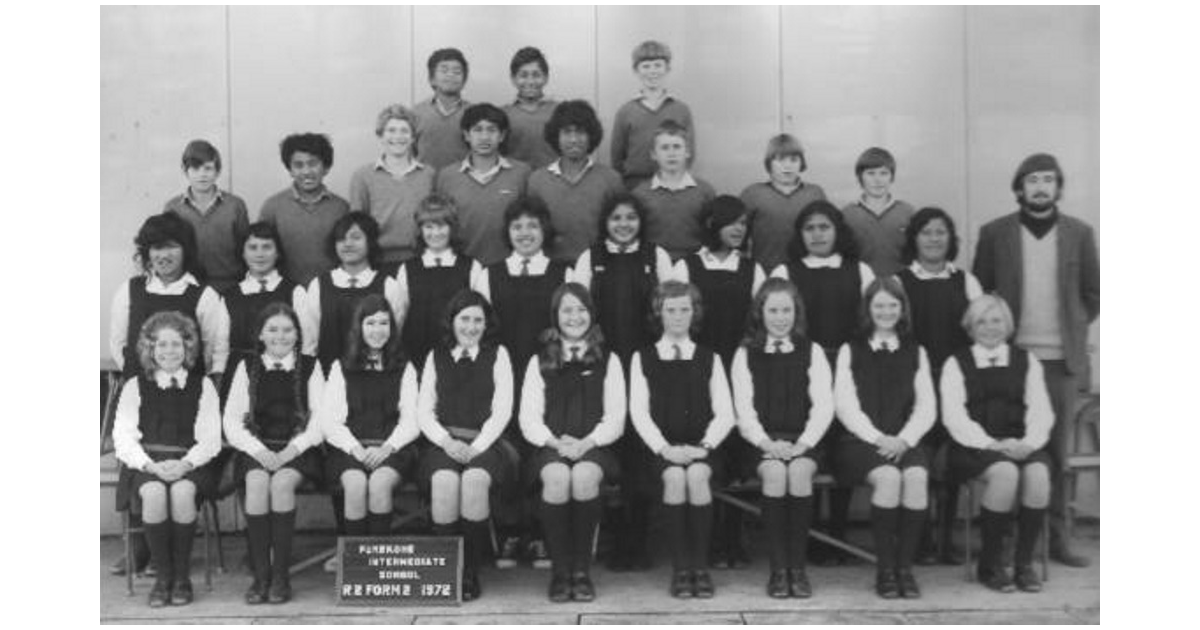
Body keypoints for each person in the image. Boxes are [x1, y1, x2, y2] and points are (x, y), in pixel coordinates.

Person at [972, 152, 1099, 568]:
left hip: (1060, 362)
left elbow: (1093, 294)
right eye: (1032, 180)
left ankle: (1058, 539)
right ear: (1019, 187)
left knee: (1056, 454)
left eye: (1048, 179)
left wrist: (1072, 326)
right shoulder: (995, 233)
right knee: (1010, 450)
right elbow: (981, 292)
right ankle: (1008, 538)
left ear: (1058, 186)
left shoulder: (1079, 233)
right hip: (1010, 360)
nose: (1040, 187)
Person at [107, 213, 228, 579]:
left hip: (186, 399)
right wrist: (144, 377)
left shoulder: (203, 295)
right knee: (140, 463)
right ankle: (142, 550)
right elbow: (119, 345)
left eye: (171, 247)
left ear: (185, 251)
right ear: (147, 252)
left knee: (180, 476)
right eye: (156, 247)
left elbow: (215, 349)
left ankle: (172, 559)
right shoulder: (129, 290)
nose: (163, 255)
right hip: (141, 394)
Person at [570, 191, 673, 571]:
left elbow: (674, 307)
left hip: (647, 367)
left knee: (641, 452)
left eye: (631, 218)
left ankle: (639, 540)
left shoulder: (656, 257)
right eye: (616, 219)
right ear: (605, 223)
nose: (624, 225)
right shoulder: (590, 258)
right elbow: (578, 311)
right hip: (603, 365)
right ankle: (611, 537)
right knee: (609, 447)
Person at [474, 196, 569, 568]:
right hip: (504, 372)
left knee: (543, 451)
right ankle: (512, 533)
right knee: (508, 452)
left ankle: (543, 534)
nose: (525, 233)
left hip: (551, 376)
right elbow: (479, 329)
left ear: (544, 230)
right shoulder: (490, 274)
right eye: (517, 227)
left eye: (532, 226)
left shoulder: (564, 272)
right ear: (507, 233)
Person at [672, 194, 766, 568]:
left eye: (744, 223)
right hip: (699, 371)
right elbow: (673, 319)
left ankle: (733, 537)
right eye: (732, 222)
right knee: (705, 450)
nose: (739, 229)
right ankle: (706, 541)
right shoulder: (686, 267)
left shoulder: (754, 270)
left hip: (740, 368)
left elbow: (761, 322)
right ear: (713, 225)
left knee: (737, 451)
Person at [519, 283, 626, 602]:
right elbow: (529, 418)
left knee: (582, 476)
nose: (574, 316)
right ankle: (560, 571)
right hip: (550, 448)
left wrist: (585, 444)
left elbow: (616, 418)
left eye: (581, 309)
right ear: (555, 316)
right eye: (567, 310)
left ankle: (581, 571)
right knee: (556, 477)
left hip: (595, 448)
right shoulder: (539, 361)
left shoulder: (609, 359)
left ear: (591, 315)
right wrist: (555, 443)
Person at [628, 281, 735, 599]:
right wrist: (665, 449)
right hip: (659, 451)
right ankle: (680, 569)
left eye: (684, 309)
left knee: (698, 475)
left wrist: (703, 448)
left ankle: (699, 568)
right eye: (670, 309)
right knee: (675, 477)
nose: (677, 316)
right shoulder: (642, 358)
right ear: (659, 313)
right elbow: (639, 412)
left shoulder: (709, 358)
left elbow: (725, 413)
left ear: (695, 313)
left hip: (702, 449)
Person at [941, 295, 1055, 593]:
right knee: (1006, 473)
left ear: (1008, 325)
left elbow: (1041, 410)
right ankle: (989, 564)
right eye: (981, 321)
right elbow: (955, 417)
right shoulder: (956, 363)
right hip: (973, 447)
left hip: (1021, 443)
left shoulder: (1025, 360)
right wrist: (992, 444)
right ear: (970, 327)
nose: (990, 327)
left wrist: (1028, 444)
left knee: (1038, 474)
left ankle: (1023, 564)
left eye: (996, 320)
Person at [729, 278, 834, 598]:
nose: (780, 317)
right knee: (776, 472)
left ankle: (797, 569)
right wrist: (766, 444)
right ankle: (778, 570)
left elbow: (823, 405)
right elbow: (743, 410)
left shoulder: (811, 351)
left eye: (786, 310)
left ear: (796, 312)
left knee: (799, 471)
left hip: (804, 440)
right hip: (759, 444)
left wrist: (805, 443)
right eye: (773, 310)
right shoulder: (746, 353)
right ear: (760, 313)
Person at [833, 277, 935, 599]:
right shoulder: (851, 350)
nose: (886, 311)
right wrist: (879, 439)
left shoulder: (916, 350)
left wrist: (904, 440)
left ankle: (905, 569)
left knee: (917, 476)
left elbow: (926, 406)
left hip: (906, 439)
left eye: (893, 304)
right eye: (879, 305)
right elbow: (845, 406)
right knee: (890, 478)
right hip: (859, 442)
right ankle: (885, 570)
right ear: (868, 308)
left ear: (902, 308)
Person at [113, 312, 221, 607]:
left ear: (188, 348)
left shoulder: (204, 386)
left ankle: (182, 577)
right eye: (161, 345)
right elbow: (123, 437)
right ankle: (163, 578)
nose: (169, 351)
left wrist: (186, 464)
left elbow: (211, 438)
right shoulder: (135, 386)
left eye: (176, 344)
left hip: (191, 463)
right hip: (146, 462)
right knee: (155, 492)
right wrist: (149, 465)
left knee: (184, 491)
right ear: (150, 349)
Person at [895, 206, 983, 564]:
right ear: (914, 239)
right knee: (921, 461)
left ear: (951, 239)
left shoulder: (966, 281)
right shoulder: (900, 282)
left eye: (940, 232)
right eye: (926, 232)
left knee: (952, 465)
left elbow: (979, 332)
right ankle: (921, 539)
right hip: (915, 385)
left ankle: (948, 539)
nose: (934, 239)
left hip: (956, 385)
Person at [416, 290, 515, 601]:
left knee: (473, 481)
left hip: (487, 444)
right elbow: (424, 411)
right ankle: (449, 570)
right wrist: (447, 442)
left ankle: (470, 571)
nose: (471, 327)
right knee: (445, 481)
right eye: (464, 319)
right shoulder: (436, 356)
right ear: (452, 321)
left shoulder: (498, 355)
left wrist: (477, 446)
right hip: (443, 443)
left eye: (478, 320)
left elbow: (502, 409)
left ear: (487, 325)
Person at [222, 303, 324, 604]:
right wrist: (258, 451)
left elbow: (320, 420)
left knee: (280, 484)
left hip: (299, 448)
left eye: (288, 329)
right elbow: (231, 420)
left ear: (298, 334)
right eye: (273, 329)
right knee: (256, 483)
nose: (281, 336)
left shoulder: (310, 366)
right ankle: (260, 575)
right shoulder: (247, 366)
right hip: (258, 446)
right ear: (261, 335)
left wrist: (293, 449)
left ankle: (280, 576)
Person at [321, 295, 421, 537]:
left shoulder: (404, 368)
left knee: (379, 483)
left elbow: (411, 420)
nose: (378, 330)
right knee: (355, 485)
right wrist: (355, 449)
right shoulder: (341, 367)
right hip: (350, 450)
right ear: (359, 327)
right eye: (371, 323)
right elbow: (330, 421)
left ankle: (376, 561)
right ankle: (357, 564)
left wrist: (387, 448)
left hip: (392, 450)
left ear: (392, 328)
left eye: (384, 323)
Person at [301, 211, 401, 376]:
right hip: (328, 376)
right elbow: (310, 340)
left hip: (376, 377)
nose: (347, 244)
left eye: (356, 237)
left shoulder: (389, 286)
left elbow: (394, 337)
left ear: (371, 242)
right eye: (341, 239)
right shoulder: (318, 285)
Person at [434, 103, 531, 266]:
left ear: (502, 135)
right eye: (477, 130)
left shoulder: (522, 173)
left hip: (510, 267)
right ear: (466, 135)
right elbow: (441, 225)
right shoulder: (447, 176)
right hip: (460, 267)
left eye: (492, 130)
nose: (484, 137)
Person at [527, 99, 624, 261]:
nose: (573, 139)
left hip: (599, 266)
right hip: (552, 268)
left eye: (580, 132)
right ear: (556, 136)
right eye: (566, 132)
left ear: (591, 135)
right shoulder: (537, 180)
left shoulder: (611, 179)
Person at [394, 194, 484, 370]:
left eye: (442, 226)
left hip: (458, 354)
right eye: (429, 226)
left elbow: (481, 316)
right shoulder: (407, 270)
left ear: (452, 228)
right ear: (420, 230)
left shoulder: (472, 267)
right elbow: (398, 316)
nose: (435, 233)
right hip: (416, 353)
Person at [219, 222, 306, 402]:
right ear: (243, 253)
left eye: (267, 247)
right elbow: (220, 346)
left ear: (278, 252)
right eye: (253, 247)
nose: (259, 254)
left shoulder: (295, 291)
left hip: (285, 375)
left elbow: (307, 341)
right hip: (239, 377)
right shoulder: (229, 296)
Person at [348, 104, 435, 274]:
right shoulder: (363, 176)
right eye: (391, 130)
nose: (398, 137)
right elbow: (357, 225)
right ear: (380, 136)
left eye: (404, 131)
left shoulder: (428, 174)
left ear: (413, 138)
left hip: (420, 260)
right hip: (378, 262)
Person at [259, 132, 350, 286]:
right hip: (286, 293)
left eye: (313, 163)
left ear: (326, 167)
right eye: (298, 165)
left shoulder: (341, 208)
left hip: (330, 291)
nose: (306, 171)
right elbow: (261, 252)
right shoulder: (273, 207)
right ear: (290, 170)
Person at [162, 139, 250, 292]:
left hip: (230, 287)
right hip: (187, 287)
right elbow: (168, 251)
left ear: (218, 171)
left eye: (208, 168)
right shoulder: (173, 208)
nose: (202, 175)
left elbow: (245, 250)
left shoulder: (235, 206)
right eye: (195, 169)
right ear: (184, 170)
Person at [610, 40, 696, 190]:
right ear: (636, 70)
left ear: (667, 68)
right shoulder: (626, 111)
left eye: (658, 65)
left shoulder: (681, 110)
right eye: (646, 66)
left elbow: (690, 152)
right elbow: (617, 157)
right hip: (634, 185)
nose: (652, 71)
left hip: (673, 183)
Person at [740, 134, 828, 272]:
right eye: (780, 160)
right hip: (765, 275)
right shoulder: (753, 194)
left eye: (794, 160)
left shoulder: (815, 194)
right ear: (769, 163)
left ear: (802, 163)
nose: (787, 166)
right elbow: (738, 241)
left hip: (809, 275)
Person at [632, 121, 716, 260]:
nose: (671, 153)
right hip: (653, 263)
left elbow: (712, 234)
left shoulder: (705, 191)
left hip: (695, 264)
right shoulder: (640, 194)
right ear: (654, 154)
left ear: (688, 152)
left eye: (677, 147)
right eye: (664, 148)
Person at [841, 147, 916, 278]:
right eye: (871, 173)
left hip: (901, 288)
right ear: (860, 177)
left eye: (884, 173)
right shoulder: (846, 215)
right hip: (860, 288)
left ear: (892, 177)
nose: (878, 180)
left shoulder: (908, 212)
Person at [412, 48, 472, 170]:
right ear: (432, 79)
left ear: (464, 81)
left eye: (457, 71)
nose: (450, 75)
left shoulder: (474, 114)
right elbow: (408, 153)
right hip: (424, 184)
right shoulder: (416, 113)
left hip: (462, 184)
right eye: (444, 70)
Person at [502, 47, 558, 171]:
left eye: (536, 75)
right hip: (515, 184)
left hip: (552, 184)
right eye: (523, 75)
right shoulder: (502, 115)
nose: (530, 81)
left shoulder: (560, 112)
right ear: (513, 78)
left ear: (546, 77)